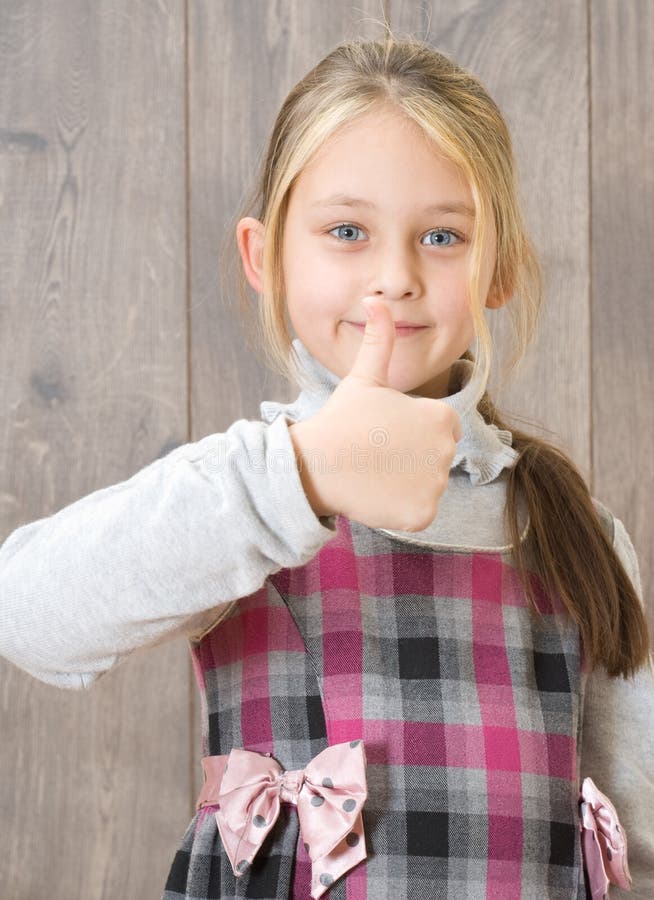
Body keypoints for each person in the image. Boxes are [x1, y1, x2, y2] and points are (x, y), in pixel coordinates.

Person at [1, 30, 652, 900]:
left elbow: (634, 846)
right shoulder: (244, 489)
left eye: (444, 236)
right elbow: (29, 613)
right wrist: (301, 475)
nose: (393, 276)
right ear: (263, 256)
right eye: (347, 230)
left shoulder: (576, 534)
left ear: (499, 267)